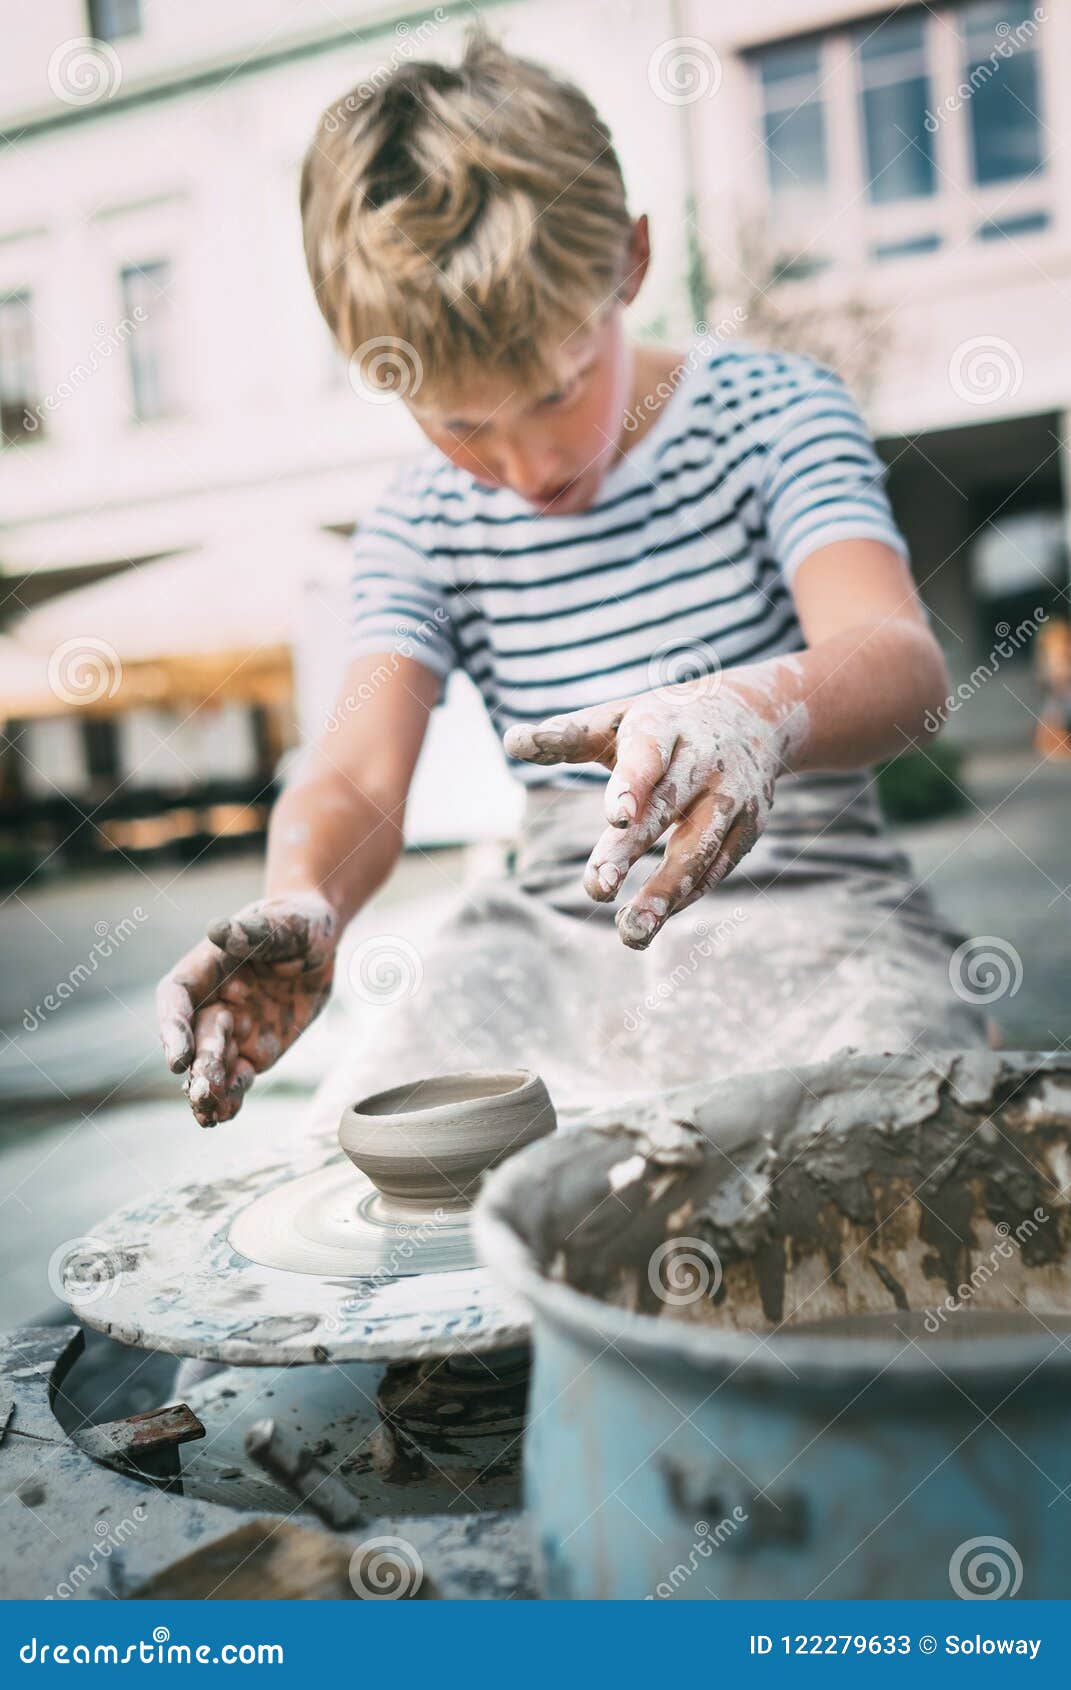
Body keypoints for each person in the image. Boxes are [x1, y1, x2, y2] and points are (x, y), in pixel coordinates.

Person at [156, 33, 985, 1133]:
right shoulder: (421, 522)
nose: (526, 465)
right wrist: (305, 895)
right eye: (460, 422)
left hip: (812, 903)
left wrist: (749, 712)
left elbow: (900, 664)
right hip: (547, 934)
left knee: (893, 1127)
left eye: (555, 391)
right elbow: (355, 774)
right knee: (366, 1137)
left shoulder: (775, 413)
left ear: (628, 263)